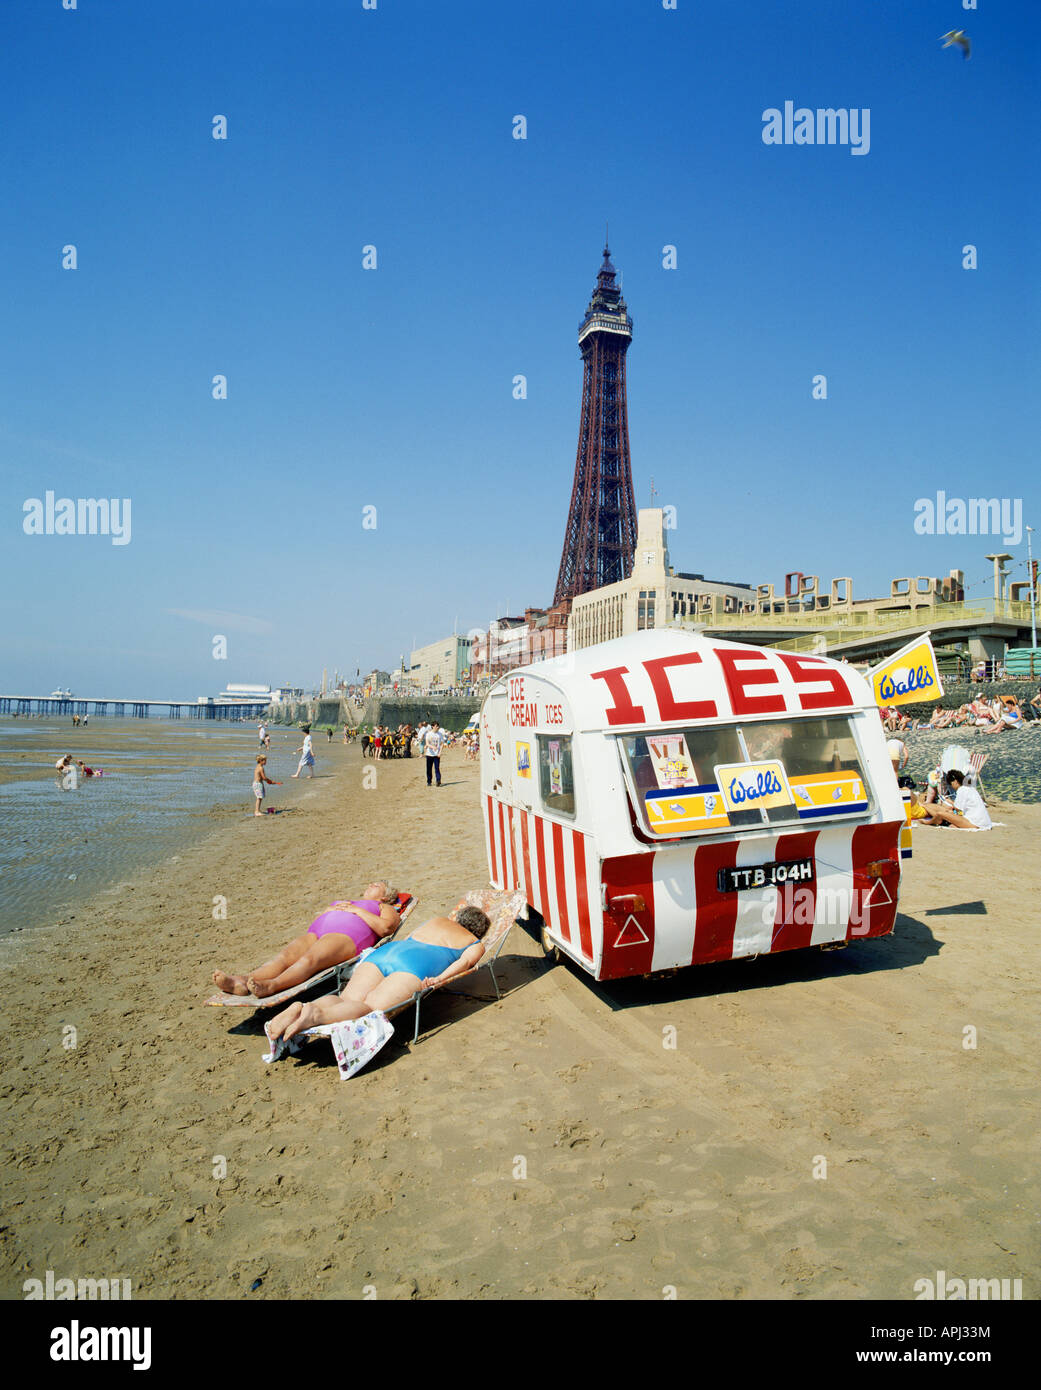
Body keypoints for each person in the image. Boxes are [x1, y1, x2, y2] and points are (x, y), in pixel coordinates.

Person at [265, 906, 491, 1042]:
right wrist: (438, 980)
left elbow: (412, 935)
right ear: (480, 931)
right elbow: (465, 963)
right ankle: (315, 1017)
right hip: (414, 967)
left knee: (346, 999)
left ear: (458, 918)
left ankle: (304, 1008)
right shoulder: (475, 943)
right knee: (370, 1009)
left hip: (386, 953)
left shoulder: (437, 920)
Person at [213, 881, 402, 998]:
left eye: (376, 885)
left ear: (385, 897)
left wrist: (357, 911)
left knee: (309, 960)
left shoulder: (382, 907)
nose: (370, 885)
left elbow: (386, 928)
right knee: (283, 958)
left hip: (346, 936)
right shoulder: (348, 901)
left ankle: (272, 986)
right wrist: (334, 910)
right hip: (317, 933)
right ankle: (241, 981)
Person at [920, 769, 992, 830]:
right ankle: (925, 808)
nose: (951, 786)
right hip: (983, 822)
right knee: (947, 812)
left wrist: (950, 804)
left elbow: (959, 811)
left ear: (955, 782)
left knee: (941, 813)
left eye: (950, 784)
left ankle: (927, 822)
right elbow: (961, 810)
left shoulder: (962, 790)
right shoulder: (970, 788)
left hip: (974, 824)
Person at [423, 720, 444, 787]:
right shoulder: (428, 734)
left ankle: (438, 780)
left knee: (437, 768)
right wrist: (432, 747)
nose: (437, 727)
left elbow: (442, 744)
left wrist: (440, 752)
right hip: (429, 754)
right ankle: (429, 781)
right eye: (436, 726)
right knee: (429, 769)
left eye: (438, 726)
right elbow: (427, 743)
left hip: (436, 755)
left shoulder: (440, 734)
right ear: (432, 726)